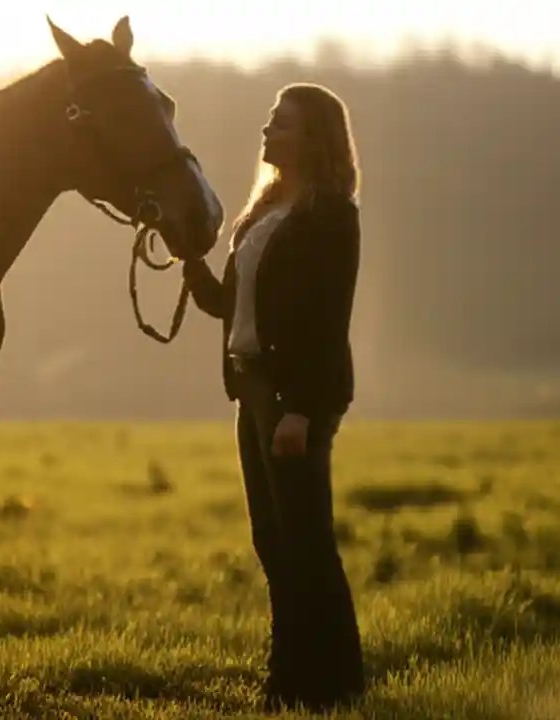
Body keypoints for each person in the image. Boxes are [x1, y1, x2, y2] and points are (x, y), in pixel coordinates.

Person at [182, 82, 364, 711]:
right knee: (272, 541)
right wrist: (190, 264)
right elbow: (235, 309)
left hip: (295, 397)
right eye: (269, 120)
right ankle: (288, 678)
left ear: (312, 137)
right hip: (252, 387)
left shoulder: (332, 216)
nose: (267, 130)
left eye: (280, 122)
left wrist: (302, 411)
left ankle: (335, 684)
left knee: (306, 542)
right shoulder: (264, 212)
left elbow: (325, 320)